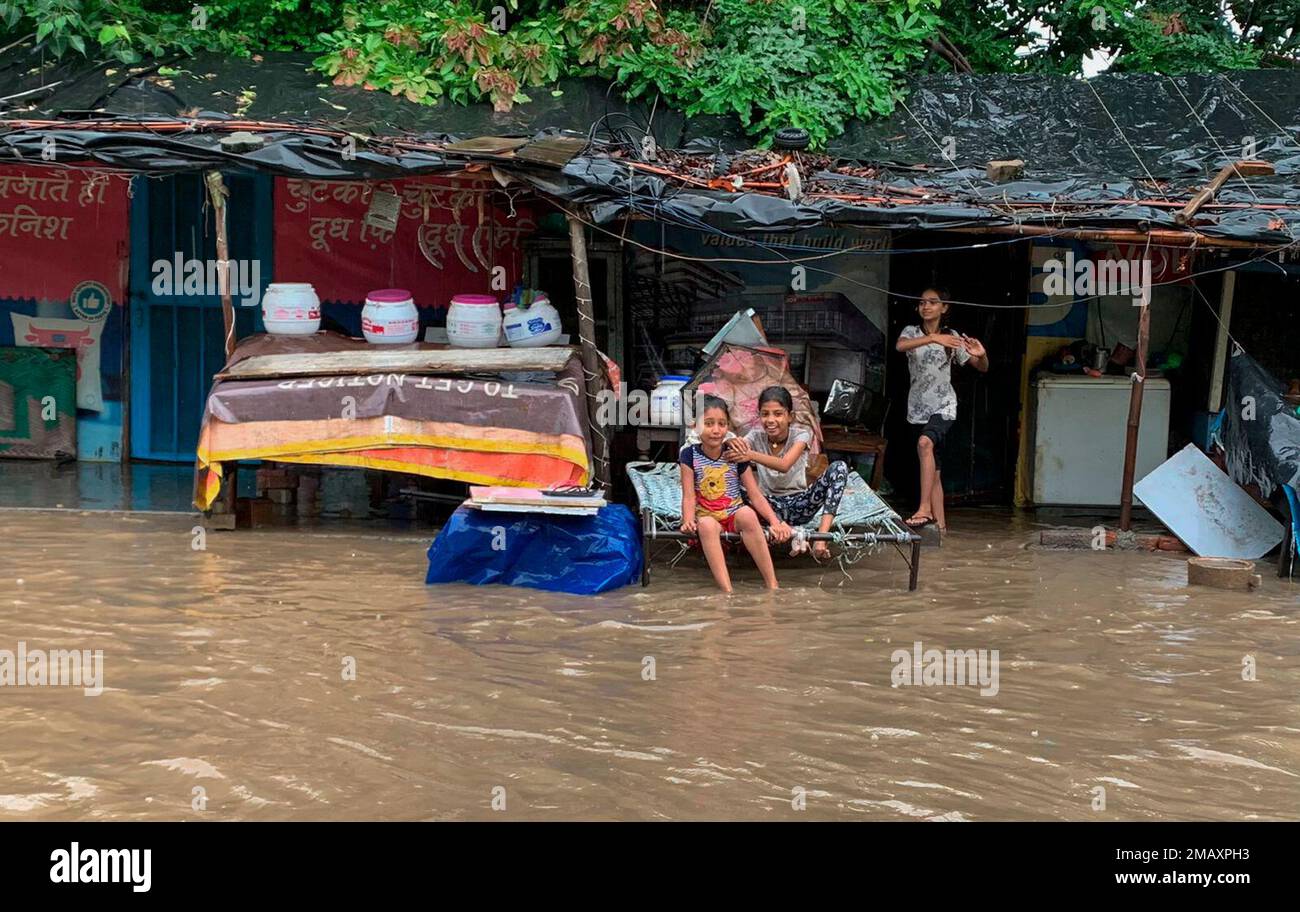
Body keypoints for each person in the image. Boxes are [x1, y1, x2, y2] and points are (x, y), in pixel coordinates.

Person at [895, 287, 988, 533]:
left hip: (944, 405)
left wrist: (982, 354)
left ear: (944, 308)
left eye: (933, 302)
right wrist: (934, 338)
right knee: (933, 472)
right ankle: (942, 529)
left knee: (925, 444)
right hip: (917, 409)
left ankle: (924, 508)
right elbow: (900, 347)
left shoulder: (953, 336)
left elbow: (980, 366)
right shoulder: (911, 332)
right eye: (922, 302)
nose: (926, 306)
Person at [679, 395, 790, 592]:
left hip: (733, 512)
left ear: (728, 426)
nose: (716, 430)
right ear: (695, 426)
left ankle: (773, 585)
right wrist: (688, 520)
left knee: (747, 513)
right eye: (709, 424)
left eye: (721, 424)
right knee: (705, 525)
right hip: (706, 515)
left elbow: (754, 494)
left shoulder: (735, 454)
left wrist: (774, 521)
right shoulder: (689, 455)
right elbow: (689, 495)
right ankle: (727, 591)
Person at [724, 386, 848, 561]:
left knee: (839, 468)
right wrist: (730, 440)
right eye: (765, 414)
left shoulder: (801, 436)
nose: (771, 420)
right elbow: (733, 448)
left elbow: (784, 465)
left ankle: (821, 539)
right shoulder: (755, 436)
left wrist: (749, 454)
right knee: (731, 475)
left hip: (799, 505)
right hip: (766, 508)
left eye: (778, 414)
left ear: (790, 416)